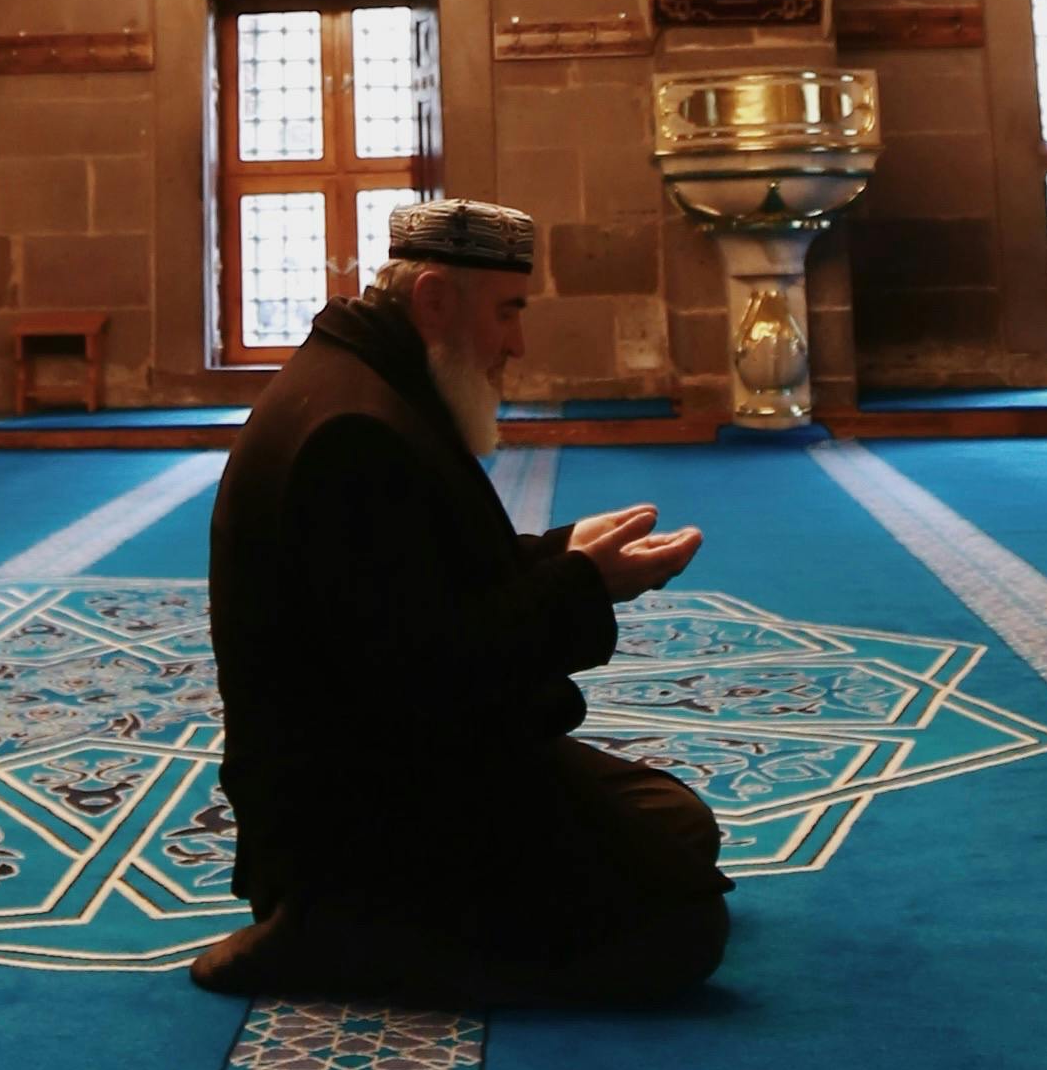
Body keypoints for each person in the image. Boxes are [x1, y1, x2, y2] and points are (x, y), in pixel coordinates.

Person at [191, 192, 729, 1008]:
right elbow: (429, 673)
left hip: (398, 761)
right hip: (357, 819)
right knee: (684, 925)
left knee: (680, 825)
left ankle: (378, 927)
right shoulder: (354, 429)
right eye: (507, 311)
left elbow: (427, 576)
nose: (516, 343)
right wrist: (584, 585)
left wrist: (566, 549)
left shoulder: (373, 382)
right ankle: (336, 937)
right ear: (436, 298)